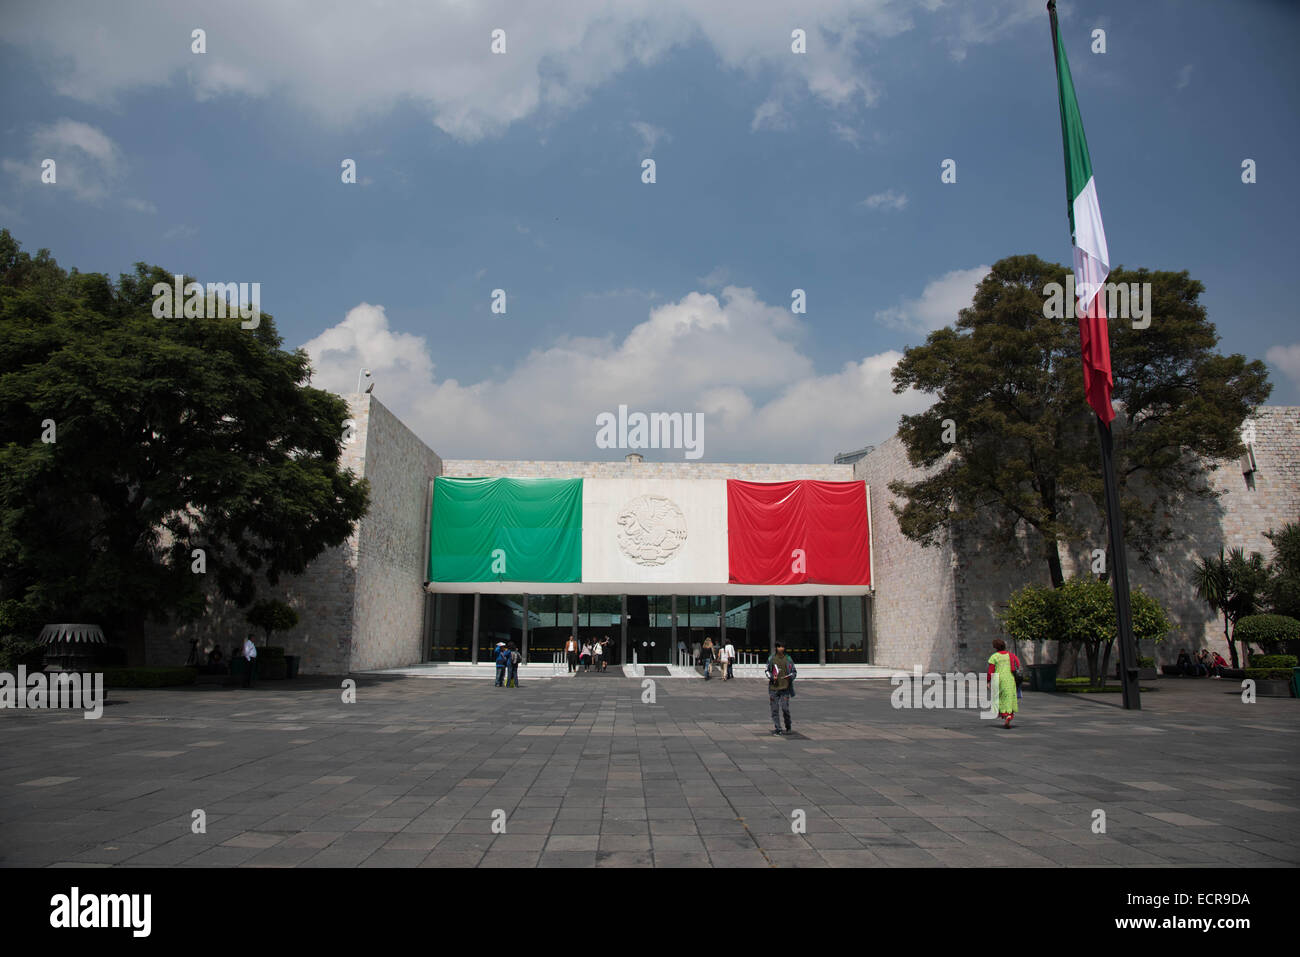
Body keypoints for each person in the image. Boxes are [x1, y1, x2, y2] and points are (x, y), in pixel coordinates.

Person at [987, 639, 1019, 728]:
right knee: (1009, 697)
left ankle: (1004, 714)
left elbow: (990, 671)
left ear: (995, 647)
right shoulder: (1011, 655)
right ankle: (1009, 715)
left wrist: (988, 681)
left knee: (999, 697)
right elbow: (1018, 665)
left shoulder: (994, 657)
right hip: (1010, 679)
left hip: (998, 679)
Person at [765, 642, 796, 734]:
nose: (781, 648)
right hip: (774, 688)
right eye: (779, 647)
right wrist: (771, 676)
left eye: (782, 646)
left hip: (785, 687)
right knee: (774, 709)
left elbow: (794, 672)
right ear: (776, 648)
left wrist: (790, 677)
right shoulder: (772, 658)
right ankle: (778, 727)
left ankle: (788, 725)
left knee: (785, 708)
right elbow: (766, 670)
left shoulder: (788, 659)